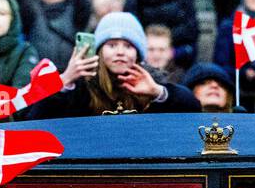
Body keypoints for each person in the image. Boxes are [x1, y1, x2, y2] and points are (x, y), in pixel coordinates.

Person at [28, 12, 198, 118]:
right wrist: (64, 81)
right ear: (99, 51)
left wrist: (157, 92)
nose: (120, 52)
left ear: (138, 54)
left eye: (128, 46)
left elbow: (193, 108)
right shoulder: (82, 84)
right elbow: (34, 119)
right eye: (112, 45)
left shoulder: (149, 81)